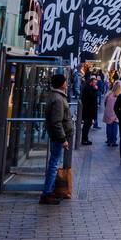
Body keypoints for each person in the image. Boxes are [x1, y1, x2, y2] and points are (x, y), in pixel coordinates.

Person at [42, 73, 73, 206]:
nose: (67, 84)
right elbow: (56, 122)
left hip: (57, 136)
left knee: (54, 163)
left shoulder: (56, 97)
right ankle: (47, 193)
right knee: (54, 164)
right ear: (62, 84)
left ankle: (50, 191)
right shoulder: (58, 99)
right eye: (65, 82)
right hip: (58, 137)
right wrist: (63, 138)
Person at [80, 74, 98, 146]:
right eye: (94, 83)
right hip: (88, 110)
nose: (95, 84)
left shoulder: (88, 88)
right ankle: (84, 139)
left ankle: (85, 138)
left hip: (88, 110)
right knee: (87, 125)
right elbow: (92, 98)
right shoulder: (89, 89)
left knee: (87, 125)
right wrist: (95, 89)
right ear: (91, 82)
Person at [103, 80, 120, 147]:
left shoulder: (109, 94)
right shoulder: (119, 95)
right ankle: (114, 141)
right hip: (116, 113)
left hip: (108, 112)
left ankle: (109, 140)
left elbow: (105, 103)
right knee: (115, 127)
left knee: (109, 126)